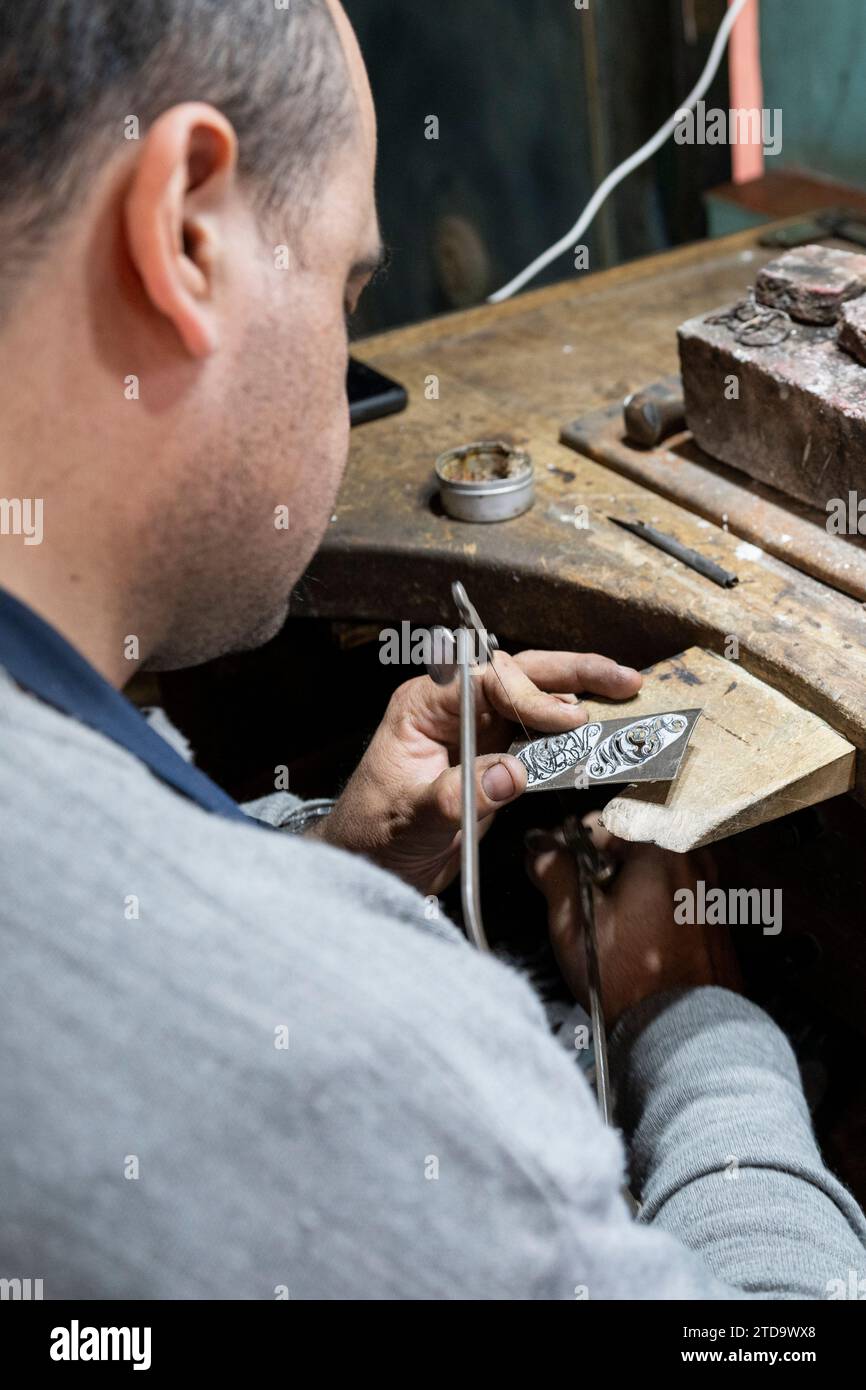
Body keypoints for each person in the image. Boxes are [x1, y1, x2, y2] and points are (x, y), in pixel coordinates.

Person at [0, 0, 863, 1301]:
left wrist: (333, 864)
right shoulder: (366, 1066)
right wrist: (684, 1012)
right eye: (349, 286)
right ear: (184, 233)